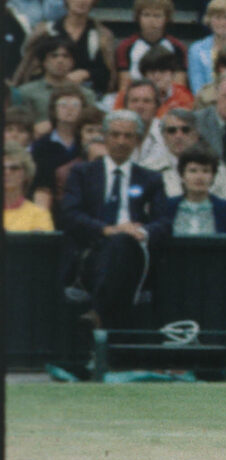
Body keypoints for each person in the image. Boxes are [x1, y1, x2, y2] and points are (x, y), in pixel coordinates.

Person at [56, 110, 174, 328]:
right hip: (90, 252)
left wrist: (142, 232)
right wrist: (108, 230)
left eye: (128, 136)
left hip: (134, 251)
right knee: (118, 242)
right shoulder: (82, 173)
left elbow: (164, 223)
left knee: (122, 243)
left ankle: (98, 314)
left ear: (137, 140)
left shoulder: (151, 179)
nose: (121, 141)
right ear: (104, 137)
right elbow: (70, 215)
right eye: (115, 134)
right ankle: (104, 320)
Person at [168, 144, 226, 235]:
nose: (199, 177)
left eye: (205, 171)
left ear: (213, 176)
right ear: (182, 175)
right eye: (193, 171)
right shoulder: (166, 208)